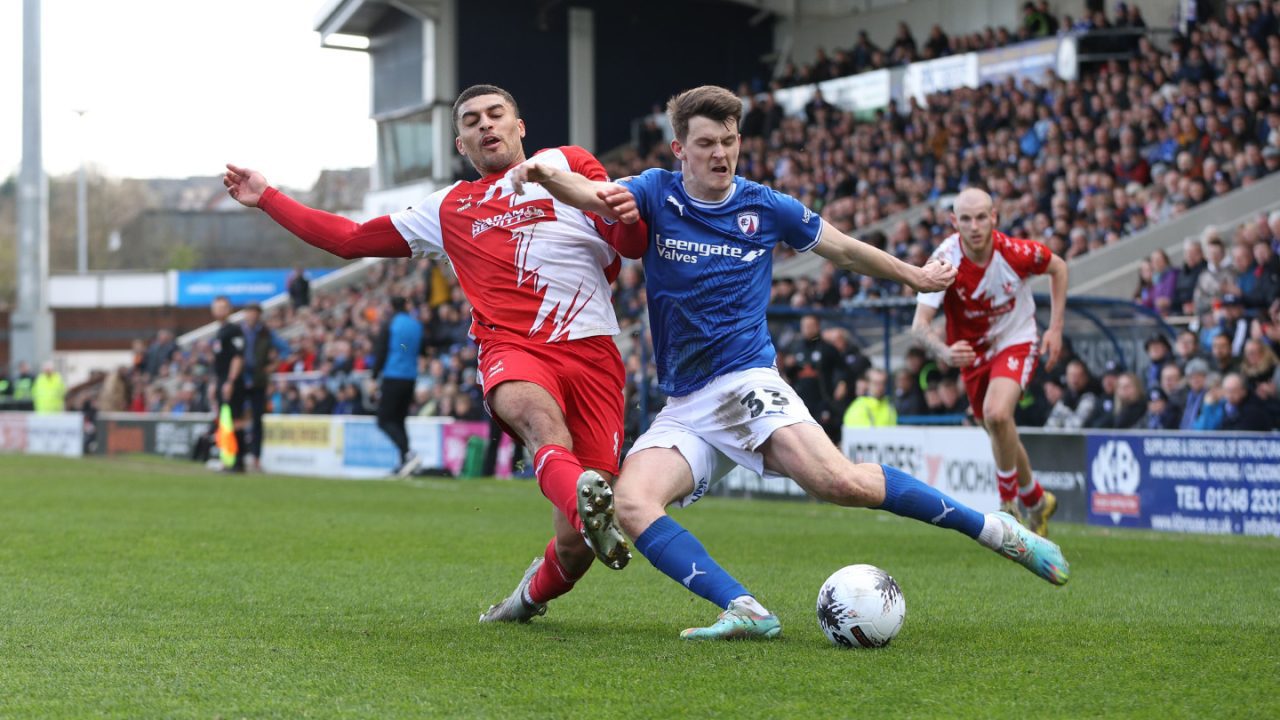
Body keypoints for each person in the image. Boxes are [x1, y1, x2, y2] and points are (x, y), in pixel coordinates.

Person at [512, 85, 1068, 640]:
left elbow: (845, 249)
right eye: (706, 143)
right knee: (632, 503)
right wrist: (541, 173)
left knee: (840, 483)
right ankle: (745, 608)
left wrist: (915, 276)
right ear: (679, 149)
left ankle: (999, 531)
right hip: (685, 404)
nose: (720, 154)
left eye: (729, 141)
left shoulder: (765, 205)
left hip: (746, 381)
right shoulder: (656, 192)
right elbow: (589, 194)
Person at [223, 84, 647, 625]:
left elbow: (629, 242)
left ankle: (526, 598)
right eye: (472, 121)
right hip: (513, 348)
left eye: (497, 115)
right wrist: (270, 198)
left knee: (573, 547)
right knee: (541, 425)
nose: (486, 125)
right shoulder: (448, 207)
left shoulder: (566, 164)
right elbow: (351, 238)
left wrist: (629, 216)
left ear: (521, 128)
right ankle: (585, 503)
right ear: (460, 143)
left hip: (593, 355)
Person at [910, 188, 1068, 537]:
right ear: (954, 222)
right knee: (997, 427)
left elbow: (1058, 267)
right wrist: (944, 352)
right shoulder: (944, 261)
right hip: (972, 353)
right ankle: (1037, 499)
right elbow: (919, 326)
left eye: (982, 217)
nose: (975, 225)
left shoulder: (1016, 252)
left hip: (1017, 338)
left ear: (994, 217)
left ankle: (1008, 506)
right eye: (965, 219)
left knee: (998, 414)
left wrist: (1055, 328)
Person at [373, 296, 425, 477]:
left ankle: (408, 454)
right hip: (410, 378)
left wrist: (373, 375)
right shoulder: (416, 325)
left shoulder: (391, 324)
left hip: (393, 376)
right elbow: (423, 349)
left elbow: (381, 350)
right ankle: (405, 461)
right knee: (399, 420)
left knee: (384, 420)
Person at [210, 296, 248, 473]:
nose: (220, 310)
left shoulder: (234, 330)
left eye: (223, 307)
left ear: (229, 309)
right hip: (222, 380)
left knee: (235, 419)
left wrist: (230, 381)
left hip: (231, 381)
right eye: (217, 307)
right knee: (225, 421)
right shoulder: (220, 331)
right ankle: (228, 459)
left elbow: (238, 357)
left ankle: (238, 461)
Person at [240, 303, 275, 471]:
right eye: (249, 312)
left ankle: (256, 458)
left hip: (258, 381)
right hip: (240, 380)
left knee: (257, 421)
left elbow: (284, 349)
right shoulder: (239, 331)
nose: (251, 315)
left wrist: (272, 365)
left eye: (254, 313)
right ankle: (236, 455)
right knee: (237, 418)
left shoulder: (265, 333)